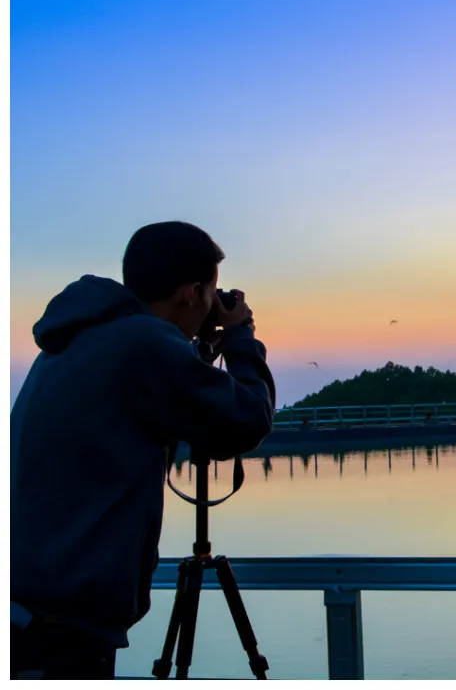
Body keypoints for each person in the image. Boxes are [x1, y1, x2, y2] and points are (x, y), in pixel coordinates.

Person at [10, 221, 276, 679]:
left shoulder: (76, 338)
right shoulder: (143, 344)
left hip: (25, 611)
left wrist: (199, 347)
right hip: (62, 633)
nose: (214, 305)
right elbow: (246, 421)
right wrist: (241, 339)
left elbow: (165, 403)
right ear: (190, 292)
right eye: (210, 293)